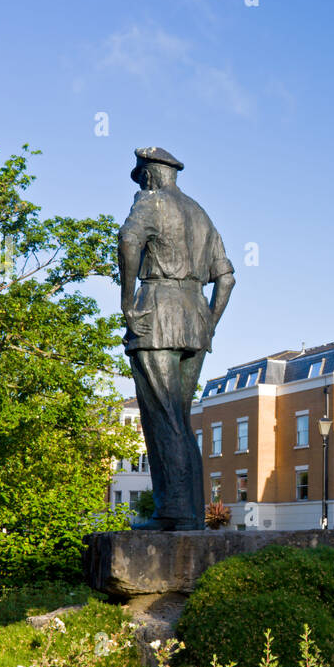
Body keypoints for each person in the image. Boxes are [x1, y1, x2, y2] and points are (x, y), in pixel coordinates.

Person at [118, 146, 234, 530]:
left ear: (148, 175)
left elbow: (128, 241)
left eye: (141, 179)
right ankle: (189, 516)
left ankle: (173, 512)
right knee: (180, 420)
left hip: (157, 313)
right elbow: (227, 278)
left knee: (163, 417)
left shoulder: (151, 202)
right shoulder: (201, 213)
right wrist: (210, 322)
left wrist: (127, 306)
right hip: (195, 319)